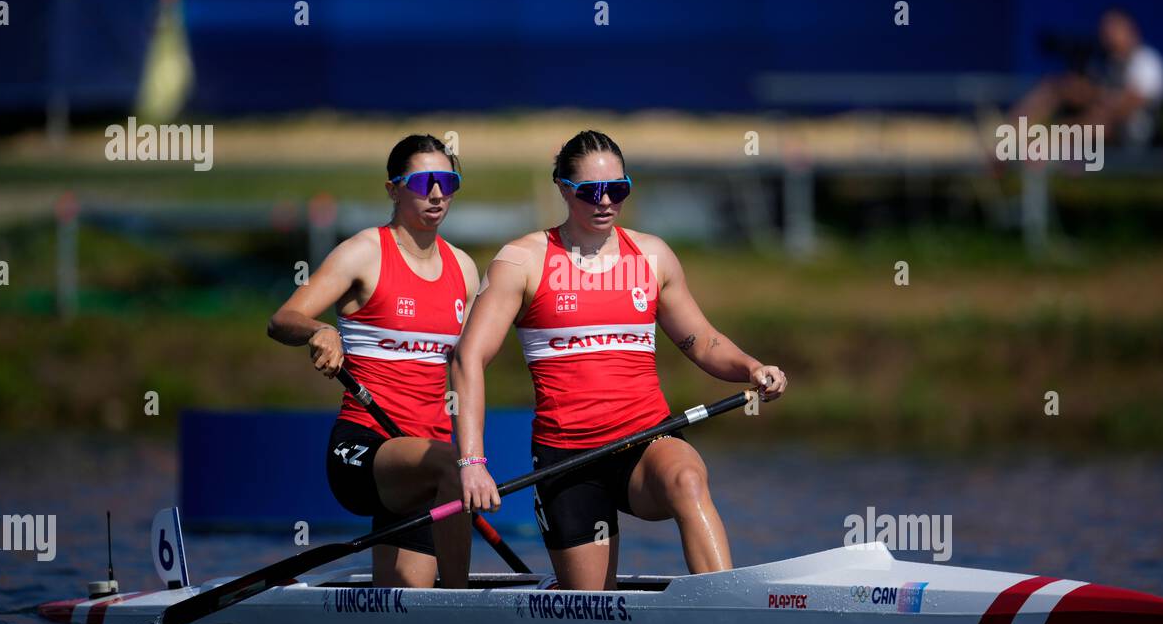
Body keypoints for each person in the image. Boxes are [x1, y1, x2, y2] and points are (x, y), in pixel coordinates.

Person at [452, 130, 787, 590]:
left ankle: (726, 607)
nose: (606, 200)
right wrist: (472, 461)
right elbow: (468, 356)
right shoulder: (522, 261)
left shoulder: (652, 257)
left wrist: (752, 367)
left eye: (619, 189)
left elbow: (703, 342)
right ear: (564, 189)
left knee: (688, 477)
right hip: (566, 459)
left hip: (645, 441)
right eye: (591, 191)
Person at [267, 134, 494, 588]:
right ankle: (462, 604)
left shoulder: (464, 270)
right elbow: (282, 319)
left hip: (424, 460)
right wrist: (321, 330)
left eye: (447, 182)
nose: (436, 194)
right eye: (423, 181)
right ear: (393, 189)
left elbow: (469, 369)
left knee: (404, 618)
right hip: (363, 447)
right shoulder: (364, 253)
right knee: (455, 464)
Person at [1008, 7, 1163, 148]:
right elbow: (1101, 94)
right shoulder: (1107, 61)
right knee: (1056, 87)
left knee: (1098, 121)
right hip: (1100, 120)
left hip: (1132, 131)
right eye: (1106, 30)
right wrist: (1076, 90)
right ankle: (1010, 133)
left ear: (1130, 29)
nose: (1109, 36)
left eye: (1114, 28)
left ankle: (1038, 142)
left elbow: (1127, 106)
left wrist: (1092, 95)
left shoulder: (1147, 61)